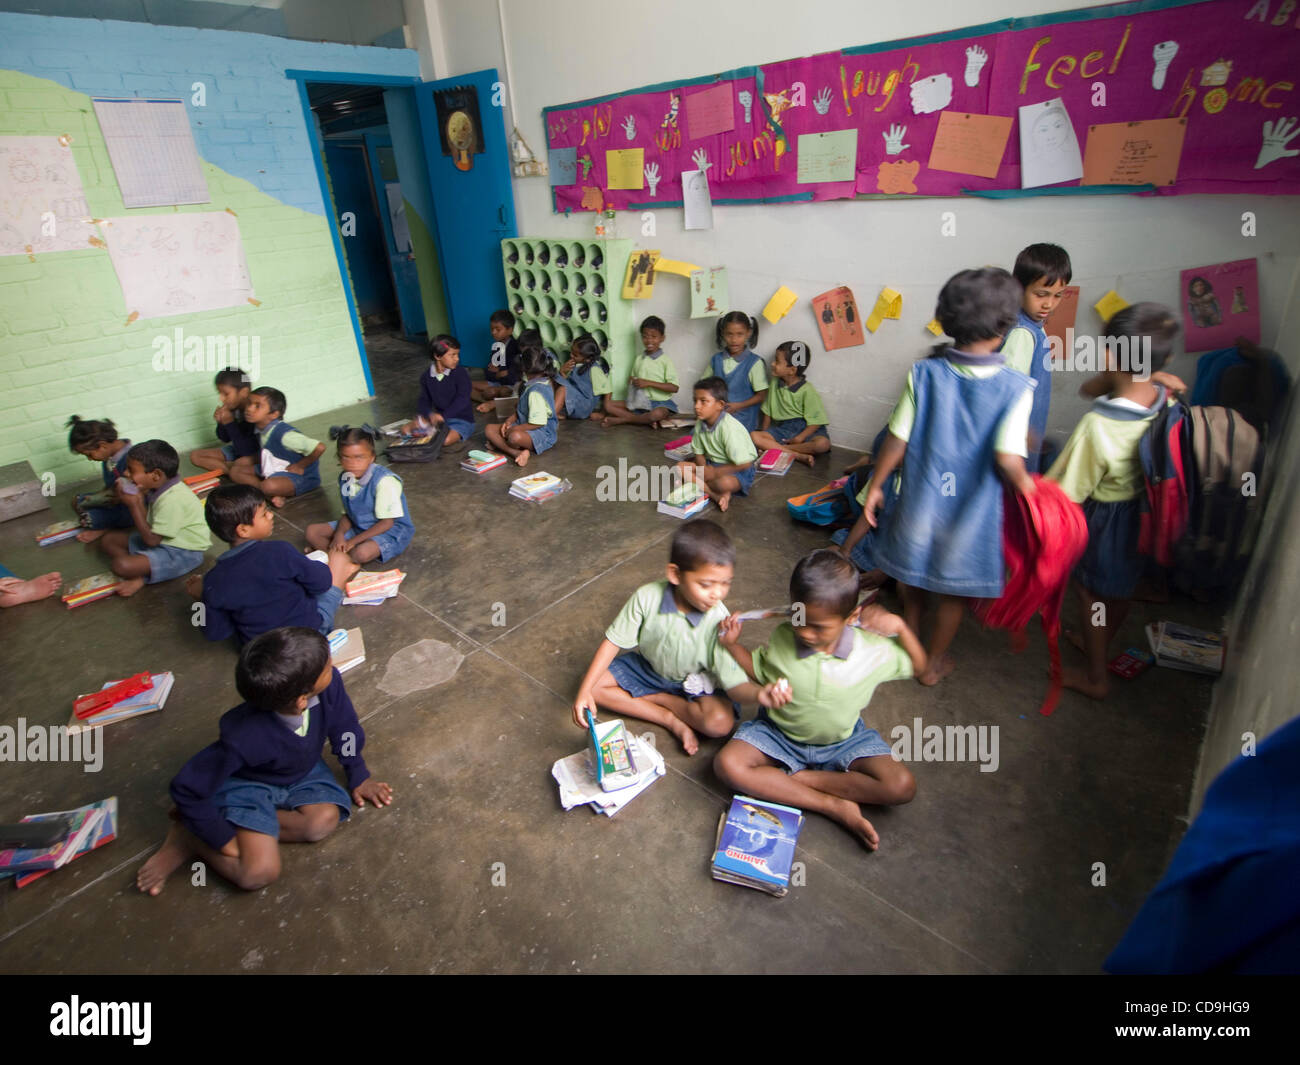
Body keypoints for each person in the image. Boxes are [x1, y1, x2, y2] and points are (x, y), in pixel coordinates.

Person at [844, 268, 1035, 685]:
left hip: (920, 502)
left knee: (910, 574)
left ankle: (908, 636)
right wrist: (1033, 495)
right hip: (972, 514)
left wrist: (876, 485)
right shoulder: (1017, 387)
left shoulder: (924, 374)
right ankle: (931, 662)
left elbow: (898, 438)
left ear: (946, 319)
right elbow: (1007, 458)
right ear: (1006, 325)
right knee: (952, 591)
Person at [136, 627, 393, 895]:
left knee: (323, 822)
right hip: (249, 785)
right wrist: (220, 839)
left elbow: (346, 729)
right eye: (327, 666)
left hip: (301, 771)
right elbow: (186, 788)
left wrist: (359, 774)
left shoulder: (330, 687)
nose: (333, 667)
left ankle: (243, 825)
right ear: (302, 699)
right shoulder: (243, 737)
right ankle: (191, 838)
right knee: (257, 873)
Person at [715, 549, 925, 850]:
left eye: (819, 627)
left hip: (844, 742)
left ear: (852, 616)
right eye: (799, 618)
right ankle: (832, 805)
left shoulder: (873, 650)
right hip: (779, 735)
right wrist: (733, 646)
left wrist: (901, 627)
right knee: (727, 764)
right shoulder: (784, 637)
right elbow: (759, 670)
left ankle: (799, 779)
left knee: (902, 786)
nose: (805, 633)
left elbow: (921, 668)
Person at [1047, 303, 1181, 700]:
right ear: (1165, 359)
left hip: (1108, 519)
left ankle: (1095, 678)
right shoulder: (1166, 399)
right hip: (1146, 514)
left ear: (1109, 357)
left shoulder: (1099, 425)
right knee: (1119, 589)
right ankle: (1098, 643)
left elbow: (1069, 491)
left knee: (1090, 593)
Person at [572, 520, 749, 755]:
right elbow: (612, 642)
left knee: (719, 724)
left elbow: (732, 675)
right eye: (706, 584)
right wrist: (584, 690)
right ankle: (668, 718)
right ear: (675, 574)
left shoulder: (719, 617)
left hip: (697, 682)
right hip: (650, 670)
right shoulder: (646, 597)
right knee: (590, 687)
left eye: (725, 583)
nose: (717, 594)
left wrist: (734, 648)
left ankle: (660, 699)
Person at [189, 484, 358, 645]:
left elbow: (215, 633)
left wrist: (201, 599)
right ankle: (345, 568)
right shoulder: (279, 551)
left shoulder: (213, 580)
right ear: (243, 530)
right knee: (337, 561)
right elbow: (321, 583)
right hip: (311, 633)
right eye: (264, 513)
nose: (271, 515)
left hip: (263, 652)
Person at [94, 439, 210, 597]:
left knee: (121, 565)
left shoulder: (172, 499)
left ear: (156, 475)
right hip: (162, 538)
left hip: (183, 551)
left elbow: (152, 541)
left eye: (131, 470)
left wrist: (135, 505)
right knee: (109, 540)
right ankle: (142, 566)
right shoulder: (157, 486)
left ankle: (140, 576)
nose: (126, 474)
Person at [999, 242, 1072, 472]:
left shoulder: (1033, 323)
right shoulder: (1022, 333)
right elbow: (1008, 391)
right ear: (1018, 287)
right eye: (1041, 294)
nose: (1049, 304)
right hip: (1013, 439)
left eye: (1058, 295)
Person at [305, 426, 414, 564]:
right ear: (339, 457)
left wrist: (351, 541)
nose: (352, 464)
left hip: (390, 531)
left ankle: (332, 557)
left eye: (359, 457)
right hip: (359, 524)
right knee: (312, 532)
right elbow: (348, 513)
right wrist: (339, 535)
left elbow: (387, 523)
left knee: (361, 553)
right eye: (346, 457)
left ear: (372, 457)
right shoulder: (345, 478)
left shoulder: (385, 481)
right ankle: (337, 557)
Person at [229, 387, 325, 507]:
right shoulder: (260, 429)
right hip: (275, 468)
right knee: (235, 470)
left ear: (274, 414)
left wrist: (300, 466)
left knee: (268, 486)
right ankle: (269, 495)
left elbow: (320, 447)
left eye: (257, 406)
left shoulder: (286, 436)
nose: (249, 409)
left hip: (301, 476)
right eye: (249, 403)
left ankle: (268, 491)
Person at [677, 376, 759, 512]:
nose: (697, 406)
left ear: (720, 405)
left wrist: (714, 473)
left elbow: (745, 463)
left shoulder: (729, 428)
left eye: (703, 401)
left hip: (737, 469)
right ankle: (715, 495)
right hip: (712, 464)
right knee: (679, 467)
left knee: (723, 483)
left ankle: (710, 488)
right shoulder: (700, 424)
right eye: (695, 401)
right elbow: (699, 453)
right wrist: (703, 471)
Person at [749, 341, 831, 465]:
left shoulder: (807, 390)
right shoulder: (775, 383)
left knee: (823, 444)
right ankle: (797, 455)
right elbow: (768, 412)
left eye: (777, 361)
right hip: (784, 428)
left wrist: (800, 438)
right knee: (754, 436)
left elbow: (816, 422)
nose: (772, 364)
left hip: (806, 429)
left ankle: (777, 449)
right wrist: (764, 433)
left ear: (792, 370)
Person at [484, 340, 557, 468]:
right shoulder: (536, 383)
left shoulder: (535, 392)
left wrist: (514, 428)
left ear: (524, 369)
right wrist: (509, 421)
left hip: (541, 432)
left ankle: (504, 445)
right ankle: (516, 452)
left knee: (514, 437)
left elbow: (538, 423)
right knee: (489, 429)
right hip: (524, 424)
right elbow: (521, 410)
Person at [600, 316, 679, 428]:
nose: (649, 341)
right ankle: (640, 419)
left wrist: (649, 383)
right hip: (640, 402)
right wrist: (632, 381)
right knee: (608, 405)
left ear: (662, 338)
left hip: (660, 403)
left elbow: (674, 388)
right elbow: (632, 379)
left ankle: (624, 420)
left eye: (654, 337)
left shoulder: (665, 361)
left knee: (657, 414)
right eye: (645, 337)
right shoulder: (639, 359)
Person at [65, 415, 135, 542]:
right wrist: (97, 497)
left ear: (102, 446)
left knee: (89, 518)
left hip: (131, 507)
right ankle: (102, 521)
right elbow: (109, 486)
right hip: (113, 501)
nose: (90, 459)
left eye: (89, 455)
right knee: (76, 501)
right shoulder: (108, 458)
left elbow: (140, 492)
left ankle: (105, 527)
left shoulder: (132, 458)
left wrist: (118, 498)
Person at [405, 334, 474, 448]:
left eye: (457, 354)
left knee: (445, 440)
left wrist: (443, 415)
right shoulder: (426, 377)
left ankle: (430, 432)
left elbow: (463, 399)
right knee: (406, 429)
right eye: (452, 355)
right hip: (439, 422)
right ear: (438, 356)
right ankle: (427, 430)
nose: (457, 359)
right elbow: (424, 400)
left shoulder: (460, 373)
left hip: (462, 421)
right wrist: (427, 414)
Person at [189, 367, 258, 478]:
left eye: (226, 394)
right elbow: (225, 438)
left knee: (241, 462)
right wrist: (221, 423)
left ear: (243, 392)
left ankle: (233, 470)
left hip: (254, 453)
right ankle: (232, 471)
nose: (221, 399)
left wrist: (229, 423)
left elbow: (246, 451)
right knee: (195, 456)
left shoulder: (254, 413)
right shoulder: (233, 408)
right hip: (238, 448)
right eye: (219, 393)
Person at [710, 311, 768, 433]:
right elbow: (705, 387)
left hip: (743, 416)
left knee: (727, 436)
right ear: (722, 334)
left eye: (739, 334)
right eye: (729, 334)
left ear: (748, 333)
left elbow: (761, 396)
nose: (734, 339)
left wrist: (738, 406)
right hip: (720, 413)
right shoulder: (716, 359)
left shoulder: (754, 363)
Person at [556, 333, 612, 420]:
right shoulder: (577, 364)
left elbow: (608, 391)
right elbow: (570, 385)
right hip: (575, 401)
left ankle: (551, 415)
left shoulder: (594, 370)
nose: (571, 355)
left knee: (563, 388)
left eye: (575, 355)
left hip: (583, 407)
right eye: (571, 351)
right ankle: (555, 411)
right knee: (553, 379)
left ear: (587, 359)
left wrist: (602, 413)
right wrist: (562, 372)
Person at [471, 309, 522, 404]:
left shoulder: (516, 347)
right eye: (492, 329)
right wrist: (499, 373)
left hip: (510, 385)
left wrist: (500, 372)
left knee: (497, 392)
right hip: (497, 383)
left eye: (498, 329)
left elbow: (514, 376)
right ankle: (484, 401)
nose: (493, 332)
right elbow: (489, 373)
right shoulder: (497, 347)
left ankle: (494, 399)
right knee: (466, 385)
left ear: (510, 330)